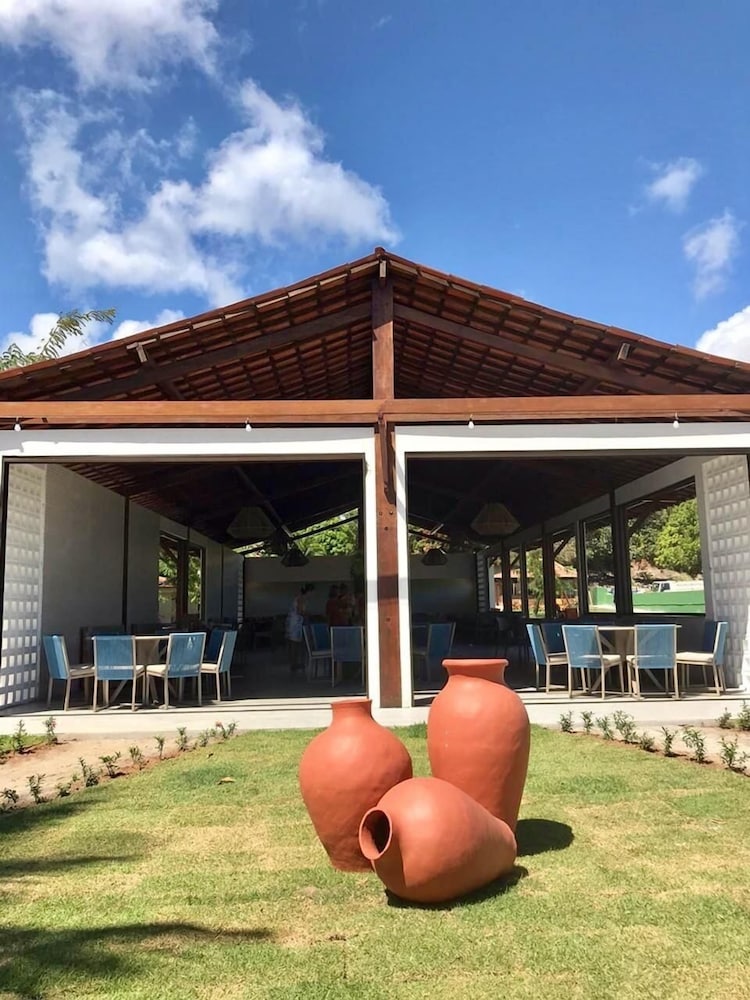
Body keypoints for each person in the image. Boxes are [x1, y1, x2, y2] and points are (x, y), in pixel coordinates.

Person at [286, 583, 314, 672]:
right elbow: (300, 611)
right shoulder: (301, 598)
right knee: (294, 644)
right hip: (295, 624)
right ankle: (293, 664)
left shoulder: (301, 598)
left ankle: (294, 663)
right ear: (309, 592)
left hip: (294, 622)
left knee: (295, 644)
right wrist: (309, 614)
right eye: (312, 593)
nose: (312, 595)